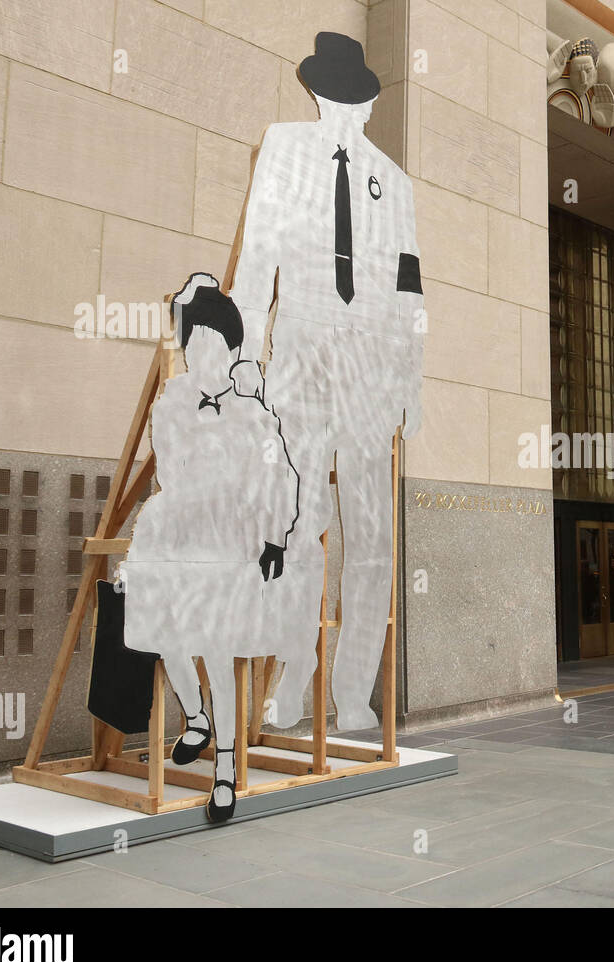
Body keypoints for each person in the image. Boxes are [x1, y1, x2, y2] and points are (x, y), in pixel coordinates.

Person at [228, 33, 425, 731]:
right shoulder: (284, 148)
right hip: (303, 355)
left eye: (357, 99)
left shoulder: (394, 183)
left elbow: (410, 287)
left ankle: (352, 693)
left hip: (370, 369)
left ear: (371, 105)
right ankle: (292, 673)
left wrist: (412, 378)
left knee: (370, 539)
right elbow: (257, 255)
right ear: (316, 95)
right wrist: (243, 359)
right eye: (335, 97)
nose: (347, 108)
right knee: (295, 521)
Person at [120, 274, 300, 821]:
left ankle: (225, 768)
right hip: (178, 534)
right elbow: (173, 473)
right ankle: (194, 715)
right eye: (194, 344)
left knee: (219, 653)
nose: (204, 356)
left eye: (214, 345)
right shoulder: (170, 406)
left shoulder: (254, 416)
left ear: (230, 351)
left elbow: (281, 479)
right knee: (167, 637)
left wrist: (274, 535)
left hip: (229, 544)